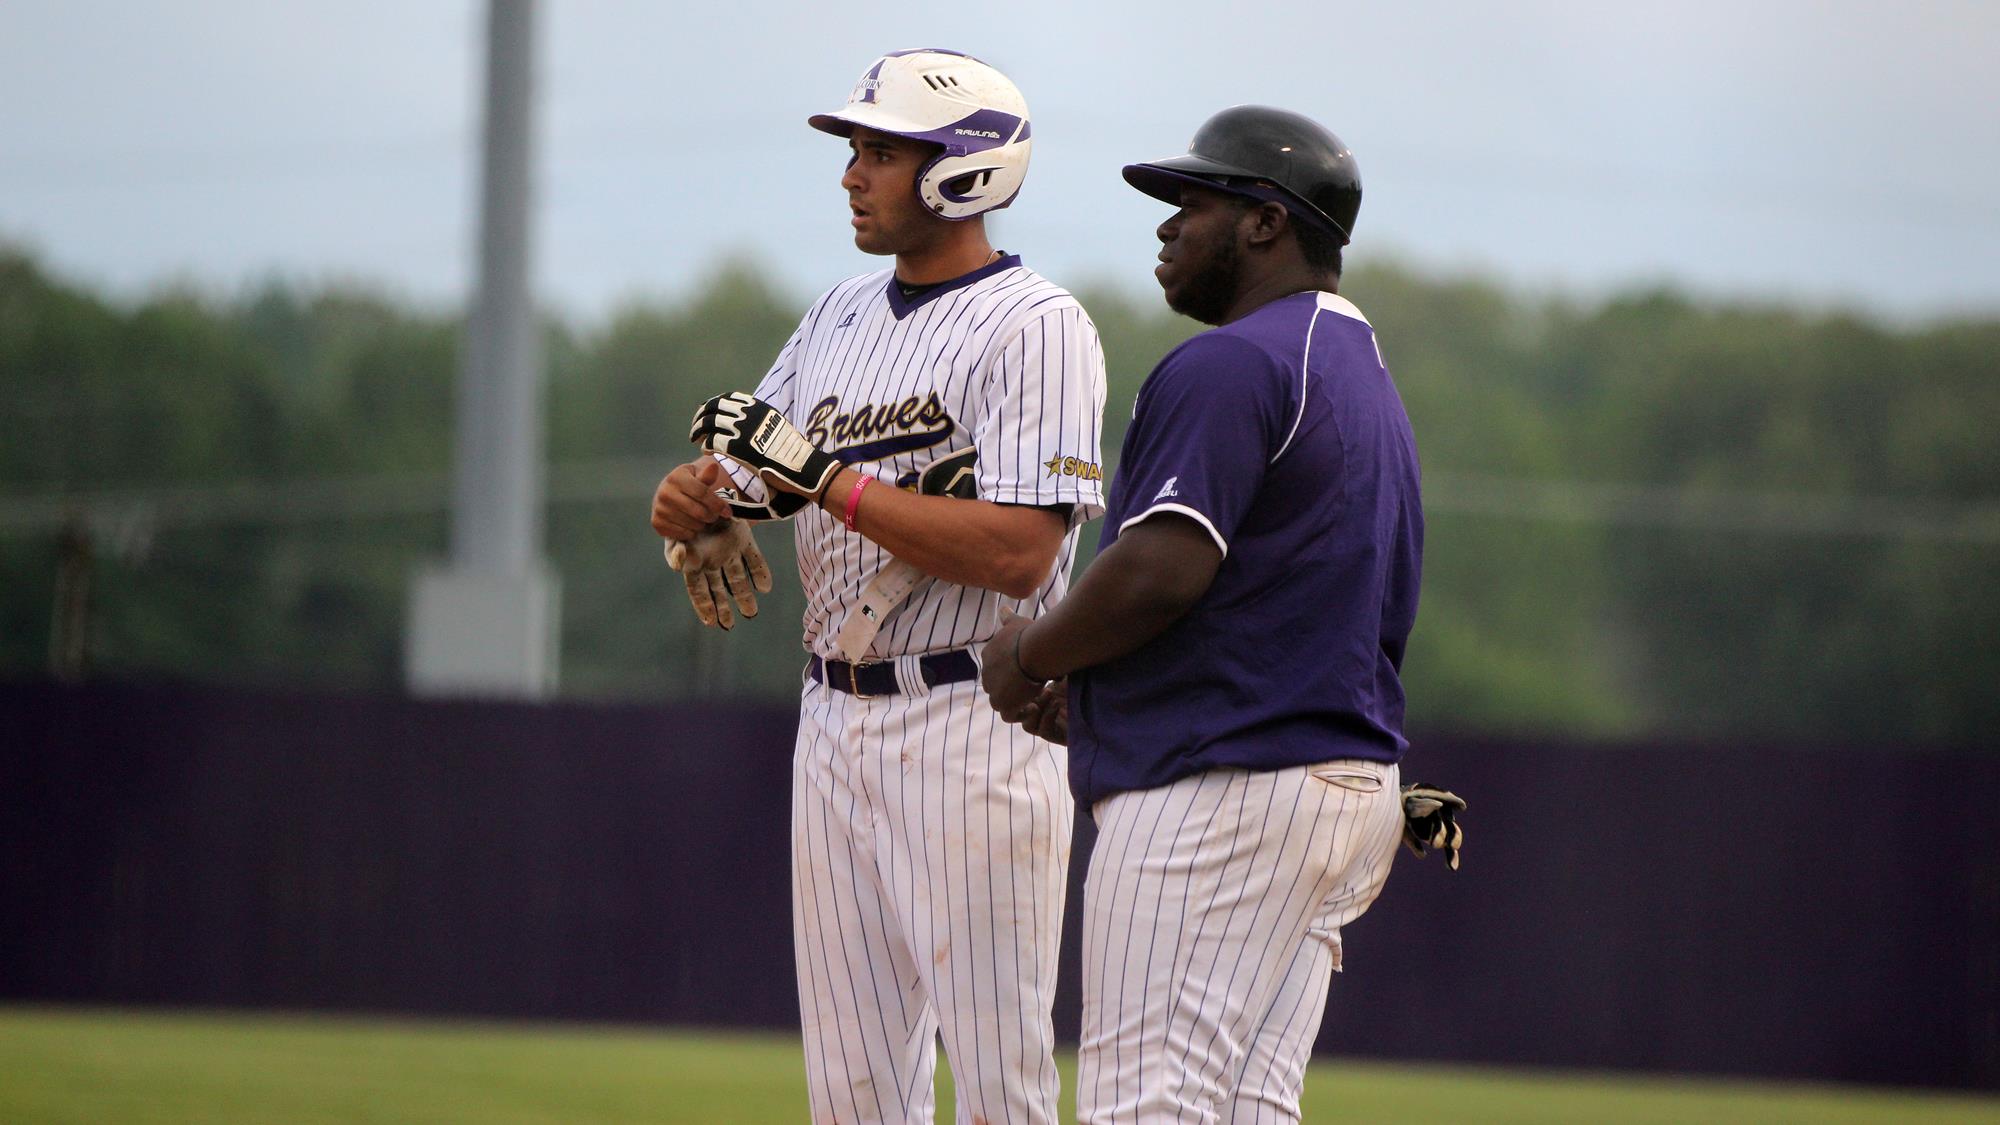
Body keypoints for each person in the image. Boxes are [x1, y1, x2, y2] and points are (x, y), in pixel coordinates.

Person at [650, 48, 1107, 1125]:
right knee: (850, 1092)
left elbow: (1018, 555)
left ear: (963, 170)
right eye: (854, 149)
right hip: (834, 717)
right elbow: (737, 479)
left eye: (881, 151)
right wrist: (689, 510)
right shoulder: (838, 315)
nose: (852, 174)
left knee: (997, 1084)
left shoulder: (1035, 326)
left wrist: (825, 480)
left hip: (976, 719)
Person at [980, 105, 1436, 1124]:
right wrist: (1106, 683)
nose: (1164, 227)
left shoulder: (1233, 362)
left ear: (1265, 222)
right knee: (1244, 1110)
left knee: (1146, 1106)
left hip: (1222, 792)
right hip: (1342, 790)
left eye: (1190, 202)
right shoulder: (1362, 373)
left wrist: (1034, 655)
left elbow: (1158, 571)